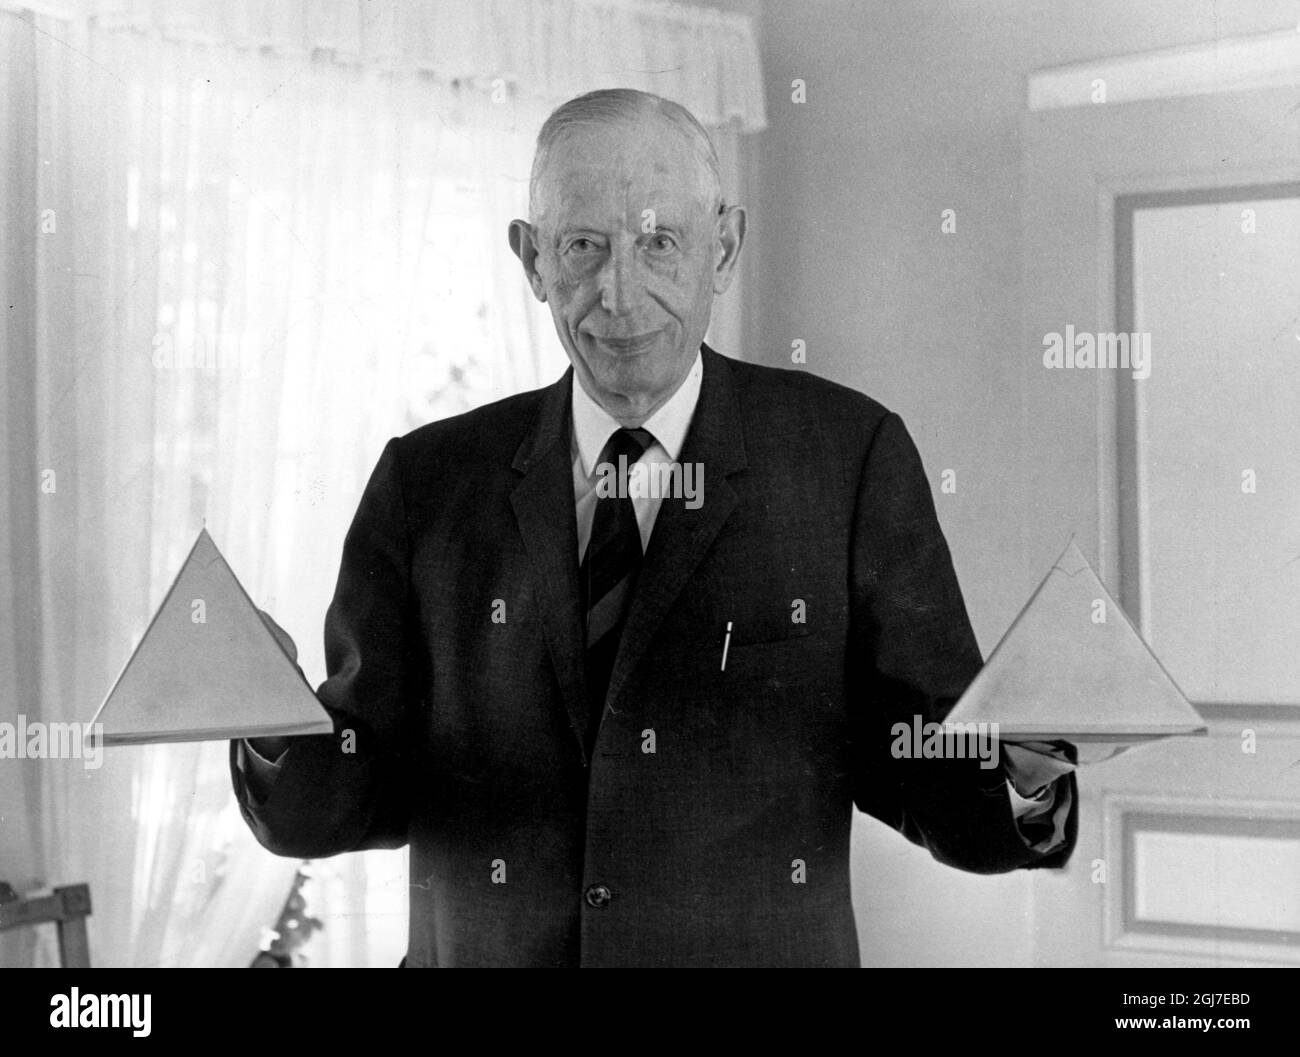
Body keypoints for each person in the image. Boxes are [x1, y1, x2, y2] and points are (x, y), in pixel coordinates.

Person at [231, 88, 1076, 968]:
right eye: (583, 246)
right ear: (531, 260)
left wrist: (1029, 759)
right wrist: (268, 713)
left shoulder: (847, 458)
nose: (620, 294)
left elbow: (925, 763)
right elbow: (352, 793)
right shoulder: (426, 481)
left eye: (659, 241)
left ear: (726, 247)